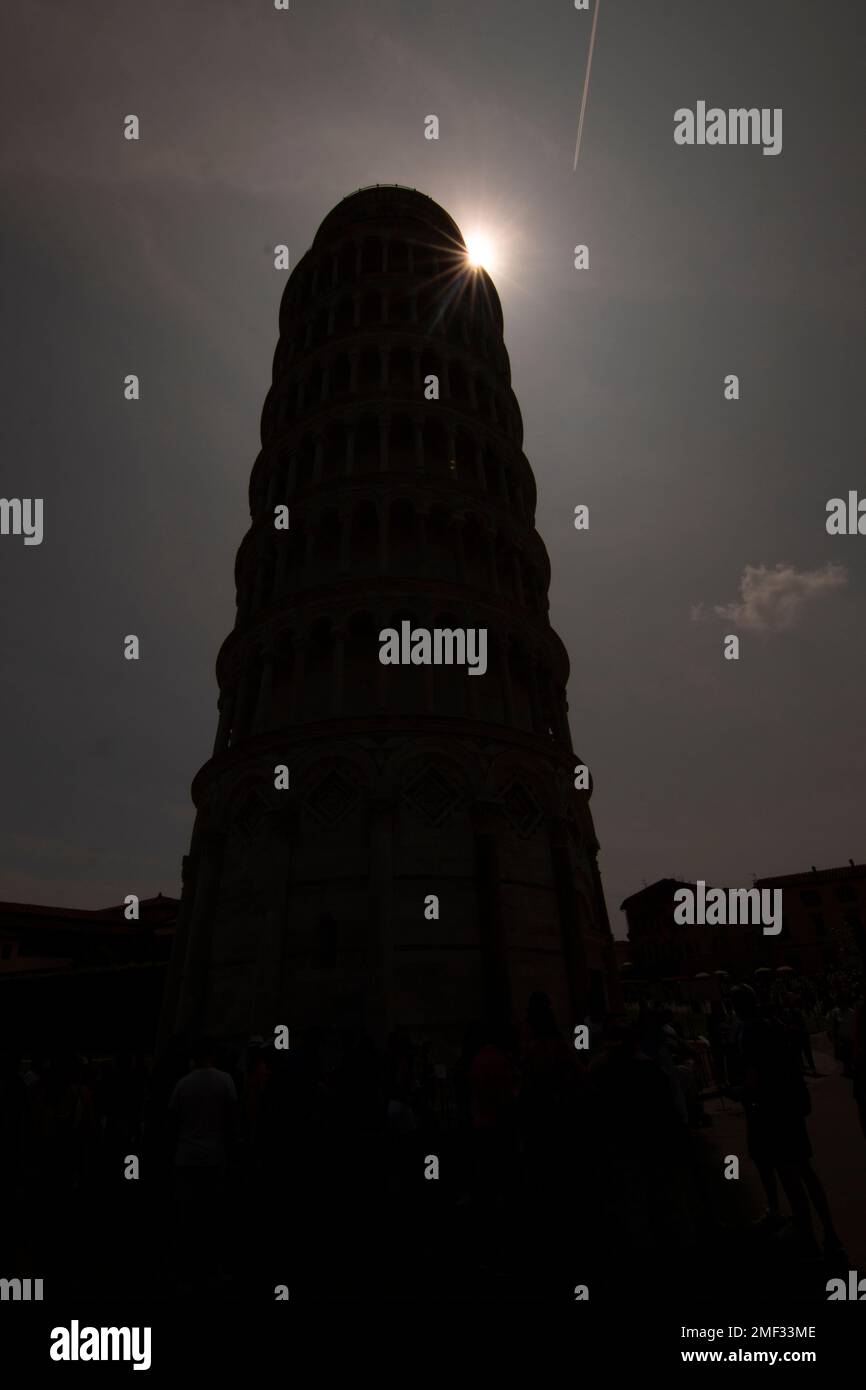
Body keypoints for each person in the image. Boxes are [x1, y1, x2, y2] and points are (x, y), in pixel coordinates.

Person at [730, 985, 842, 1256]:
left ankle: (806, 1233)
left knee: (788, 1174)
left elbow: (754, 1076)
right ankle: (829, 1232)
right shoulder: (776, 1025)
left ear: (735, 1007)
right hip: (791, 1104)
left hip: (770, 1109)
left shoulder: (748, 1032)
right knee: (806, 1169)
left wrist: (739, 1092)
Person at [168, 1038, 238, 1291]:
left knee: (187, 1215)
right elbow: (232, 1119)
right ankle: (210, 1269)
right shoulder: (226, 1081)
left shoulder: (183, 1084)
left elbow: (173, 1120)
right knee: (211, 1216)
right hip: (214, 1157)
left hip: (186, 1158)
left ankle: (184, 1269)